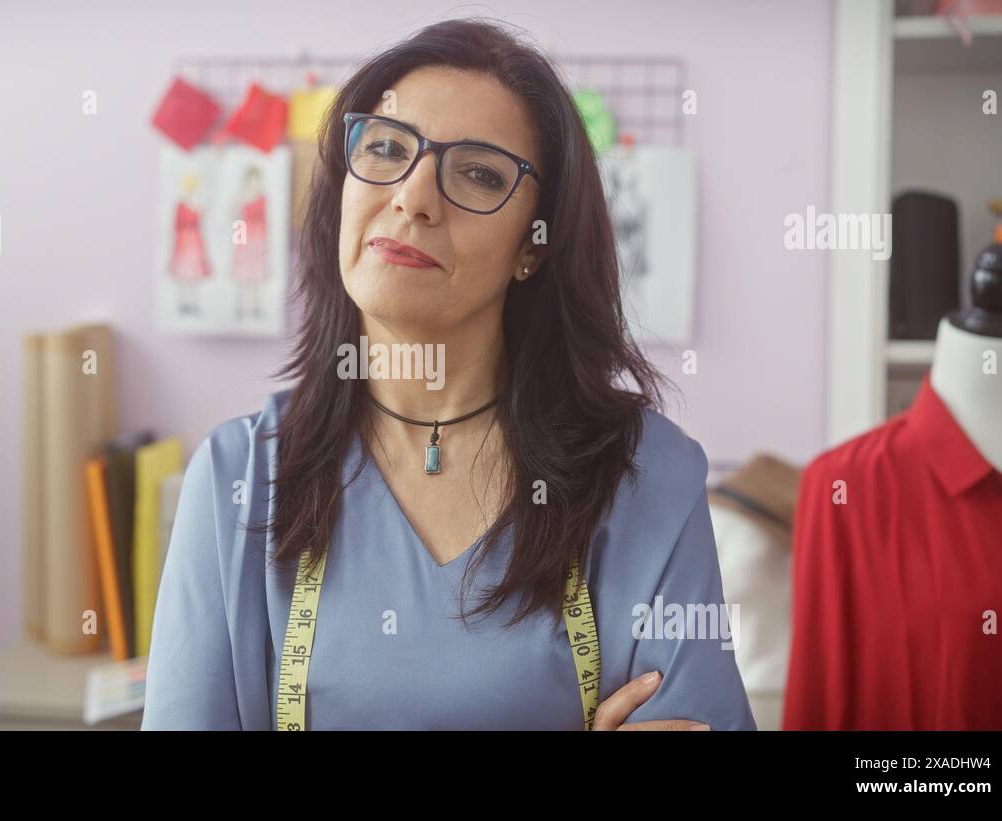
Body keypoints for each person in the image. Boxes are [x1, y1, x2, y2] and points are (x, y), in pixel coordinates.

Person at [142, 17, 755, 731]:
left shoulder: (648, 476)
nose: (413, 196)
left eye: (478, 173)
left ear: (536, 243)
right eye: (385, 148)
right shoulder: (237, 480)